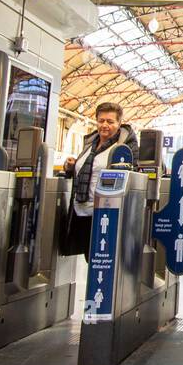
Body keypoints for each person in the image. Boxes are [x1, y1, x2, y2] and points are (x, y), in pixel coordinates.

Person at [62, 102, 138, 256]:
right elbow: (84, 169)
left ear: (119, 123)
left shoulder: (124, 148)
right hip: (80, 212)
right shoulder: (90, 144)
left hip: (105, 213)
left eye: (110, 122)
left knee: (102, 259)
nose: (105, 125)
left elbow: (133, 177)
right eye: (101, 120)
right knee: (90, 258)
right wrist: (72, 167)